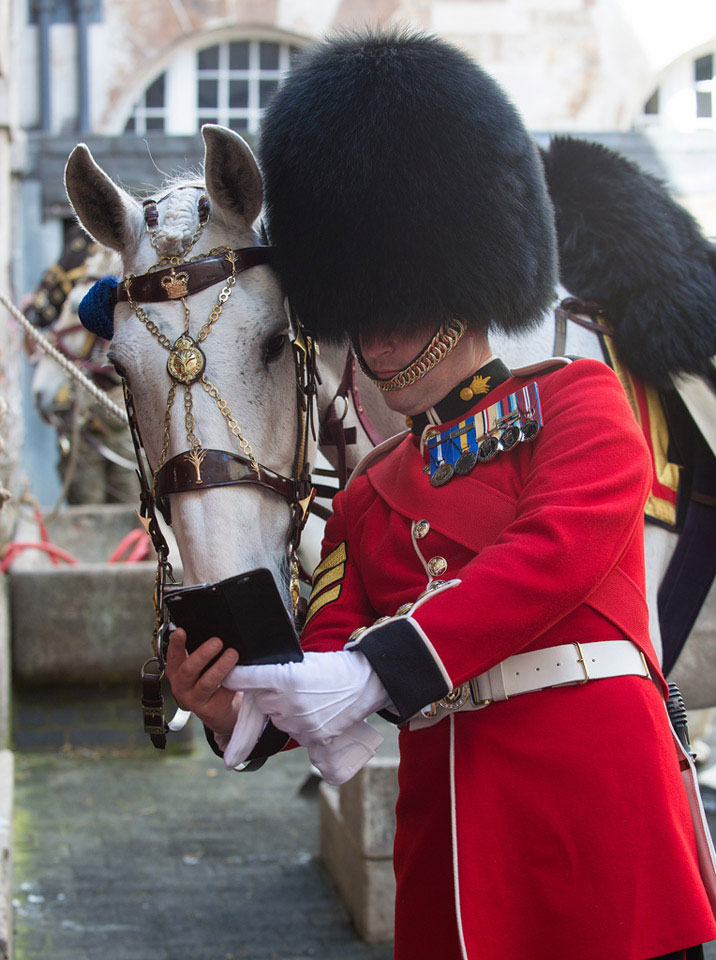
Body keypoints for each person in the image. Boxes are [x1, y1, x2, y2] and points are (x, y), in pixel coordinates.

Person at [166, 29, 716, 959]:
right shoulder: (366, 499)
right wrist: (238, 704)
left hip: (599, 820)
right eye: (360, 306)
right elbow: (325, 660)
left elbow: (552, 556)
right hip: (453, 855)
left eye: (400, 299)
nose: (378, 335)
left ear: (464, 281)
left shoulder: (575, 399)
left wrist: (380, 670)